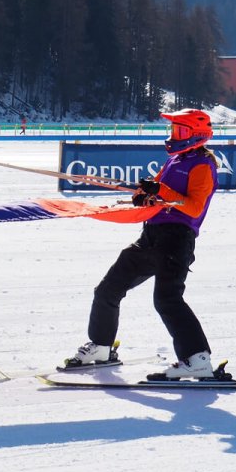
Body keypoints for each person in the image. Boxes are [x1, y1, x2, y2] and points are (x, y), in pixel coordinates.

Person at [64, 109, 219, 379]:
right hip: (152, 236)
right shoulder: (176, 160)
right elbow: (157, 192)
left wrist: (159, 191)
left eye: (180, 131)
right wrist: (144, 196)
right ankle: (101, 347)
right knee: (108, 289)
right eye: (173, 131)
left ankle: (197, 359)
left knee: (167, 299)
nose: (174, 136)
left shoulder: (202, 165)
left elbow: (193, 207)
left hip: (177, 239)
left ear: (196, 134)